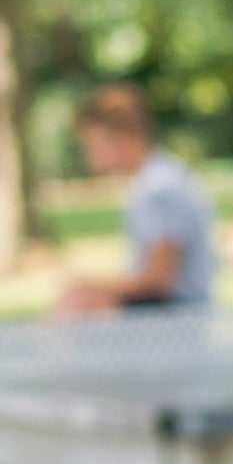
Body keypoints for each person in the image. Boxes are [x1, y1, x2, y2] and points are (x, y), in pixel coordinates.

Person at [57, 85, 216, 312]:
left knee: (79, 302)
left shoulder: (159, 188)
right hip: (167, 308)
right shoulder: (153, 180)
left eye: (94, 143)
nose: (90, 154)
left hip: (179, 316)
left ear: (125, 137)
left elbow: (158, 280)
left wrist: (95, 285)